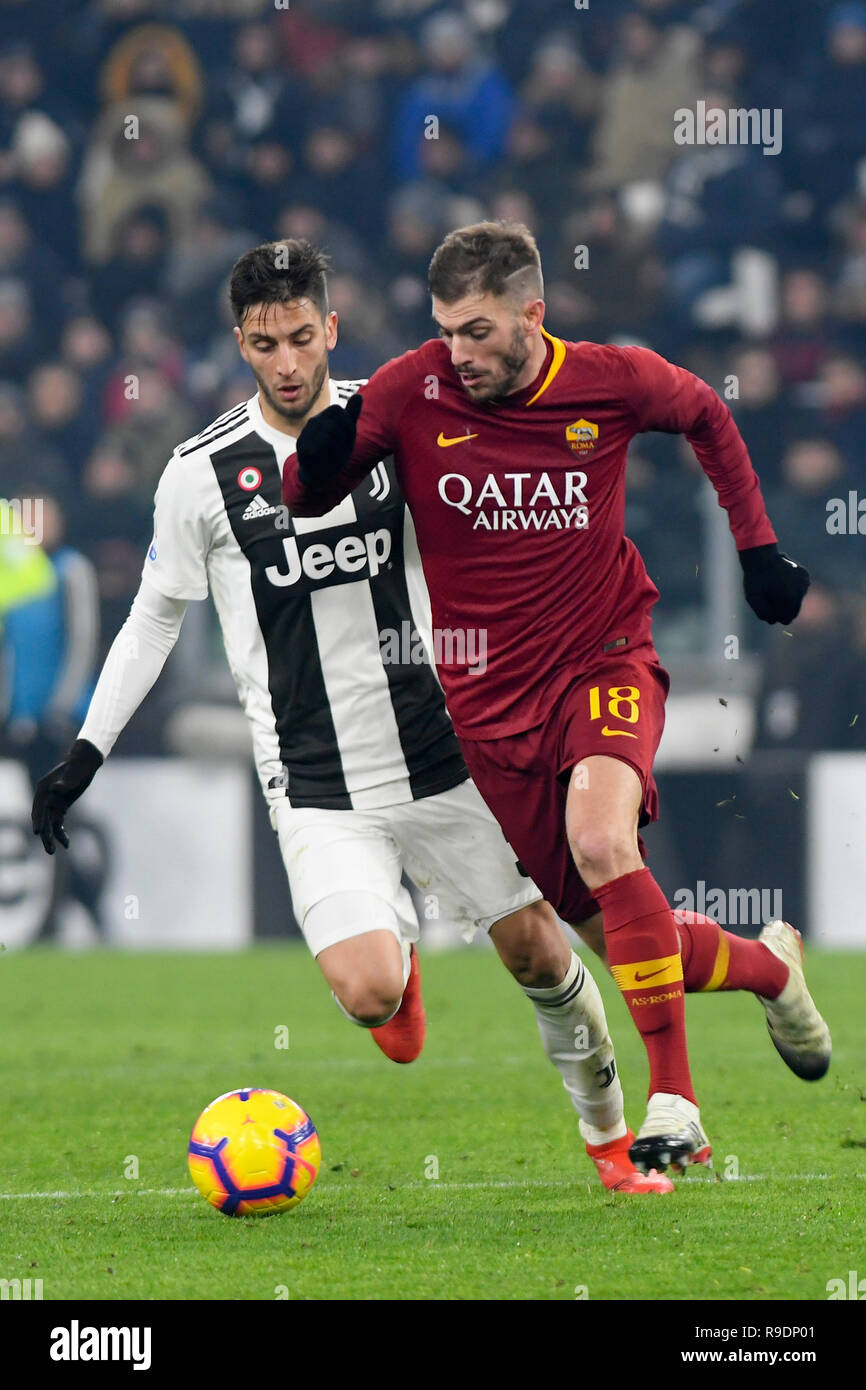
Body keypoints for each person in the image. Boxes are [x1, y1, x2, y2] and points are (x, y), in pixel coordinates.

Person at [31, 238, 671, 1197]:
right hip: (317, 782)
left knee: (541, 951)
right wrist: (86, 751)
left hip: (447, 754)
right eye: (263, 344)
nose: (287, 364)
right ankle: (398, 968)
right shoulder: (199, 475)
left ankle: (612, 1145)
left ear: (330, 328)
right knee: (371, 993)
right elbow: (155, 615)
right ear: (239, 344)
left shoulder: (407, 417)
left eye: (300, 338)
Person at [281, 221, 832, 1176]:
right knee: (621, 940)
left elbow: (707, 413)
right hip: (491, 712)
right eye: (447, 329)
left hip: (605, 658)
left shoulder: (610, 381)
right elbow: (304, 493)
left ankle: (679, 1105)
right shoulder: (415, 388)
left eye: (480, 332)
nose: (461, 353)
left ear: (534, 316)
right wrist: (319, 452)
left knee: (603, 840)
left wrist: (757, 548)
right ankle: (769, 967)